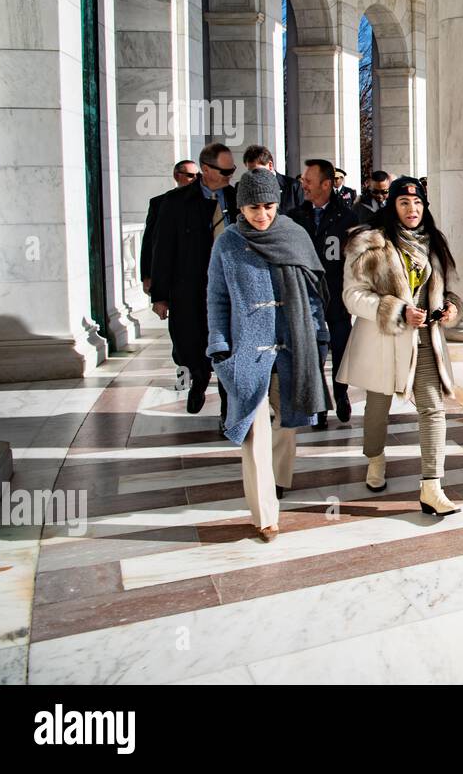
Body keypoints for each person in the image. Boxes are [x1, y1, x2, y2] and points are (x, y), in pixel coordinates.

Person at [207, 169, 330, 542]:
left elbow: (312, 294)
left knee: (287, 423)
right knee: (253, 432)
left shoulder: (294, 235)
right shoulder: (227, 244)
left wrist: (319, 337)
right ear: (241, 206)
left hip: (294, 346)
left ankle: (278, 479)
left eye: (268, 206)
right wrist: (219, 346)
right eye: (253, 207)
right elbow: (217, 298)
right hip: (248, 351)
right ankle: (265, 514)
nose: (261, 215)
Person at [338, 177, 463, 516]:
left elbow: (447, 289)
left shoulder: (435, 242)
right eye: (404, 203)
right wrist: (395, 309)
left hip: (425, 341)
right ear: (392, 205)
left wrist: (451, 306)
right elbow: (352, 296)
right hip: (385, 339)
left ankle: (432, 487)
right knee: (378, 408)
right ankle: (375, 459)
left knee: (433, 408)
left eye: (418, 203)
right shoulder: (369, 243)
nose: (412, 209)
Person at [149, 142, 238, 420]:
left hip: (228, 289)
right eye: (225, 171)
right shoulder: (175, 203)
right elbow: (162, 249)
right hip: (189, 288)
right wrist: (160, 295)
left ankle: (228, 411)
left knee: (229, 350)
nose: (229, 176)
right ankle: (198, 379)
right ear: (206, 170)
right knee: (191, 343)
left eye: (232, 170)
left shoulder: (237, 199)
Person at [290, 158, 359, 425]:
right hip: (306, 298)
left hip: (338, 297)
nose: (303, 185)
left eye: (309, 180)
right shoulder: (295, 217)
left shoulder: (348, 218)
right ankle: (318, 404)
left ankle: (341, 394)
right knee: (312, 351)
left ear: (326, 184)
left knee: (341, 347)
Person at [141, 159, 198, 291]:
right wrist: (146, 276)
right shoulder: (159, 203)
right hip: (173, 275)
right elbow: (150, 240)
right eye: (190, 175)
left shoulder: (208, 201)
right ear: (176, 176)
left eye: (198, 175)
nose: (195, 179)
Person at [242, 144, 303, 213]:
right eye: (250, 172)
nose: (254, 176)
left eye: (258, 171)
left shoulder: (293, 186)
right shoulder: (244, 188)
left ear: (270, 165)